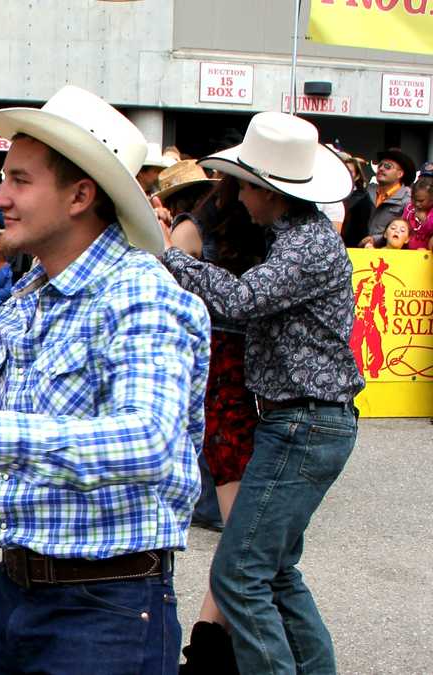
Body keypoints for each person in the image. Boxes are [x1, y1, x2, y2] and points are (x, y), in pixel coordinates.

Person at [0, 85, 211, 674]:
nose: (1, 197)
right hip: (17, 591)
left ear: (80, 195)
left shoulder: (141, 293)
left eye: (20, 180)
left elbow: (148, 439)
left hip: (108, 610)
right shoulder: (32, 294)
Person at [162, 111, 363, 674]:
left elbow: (242, 300)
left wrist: (171, 258)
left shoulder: (306, 245)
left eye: (245, 186)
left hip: (304, 422)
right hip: (302, 421)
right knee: (273, 572)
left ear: (269, 190)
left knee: (240, 574)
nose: (239, 196)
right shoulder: (297, 238)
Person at [169, 176, 267, 673]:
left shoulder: (199, 228)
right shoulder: (209, 229)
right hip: (236, 384)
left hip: (236, 382)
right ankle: (208, 647)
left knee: (246, 536)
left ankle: (209, 646)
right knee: (244, 535)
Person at [364, 148, 414, 240]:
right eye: (380, 165)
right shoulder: (366, 192)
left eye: (387, 166)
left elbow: (407, 231)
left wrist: (375, 240)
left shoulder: (408, 200)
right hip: (356, 247)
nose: (381, 168)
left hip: (387, 248)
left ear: (399, 174)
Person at [340, 153, 373, 247]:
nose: (345, 174)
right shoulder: (329, 193)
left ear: (357, 176)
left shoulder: (362, 198)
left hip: (350, 247)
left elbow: (362, 229)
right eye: (343, 170)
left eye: (350, 171)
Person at [401, 177, 432, 250]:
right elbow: (403, 223)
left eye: (421, 201)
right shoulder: (409, 208)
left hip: (427, 253)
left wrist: (425, 221)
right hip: (407, 250)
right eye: (414, 199)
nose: (417, 204)